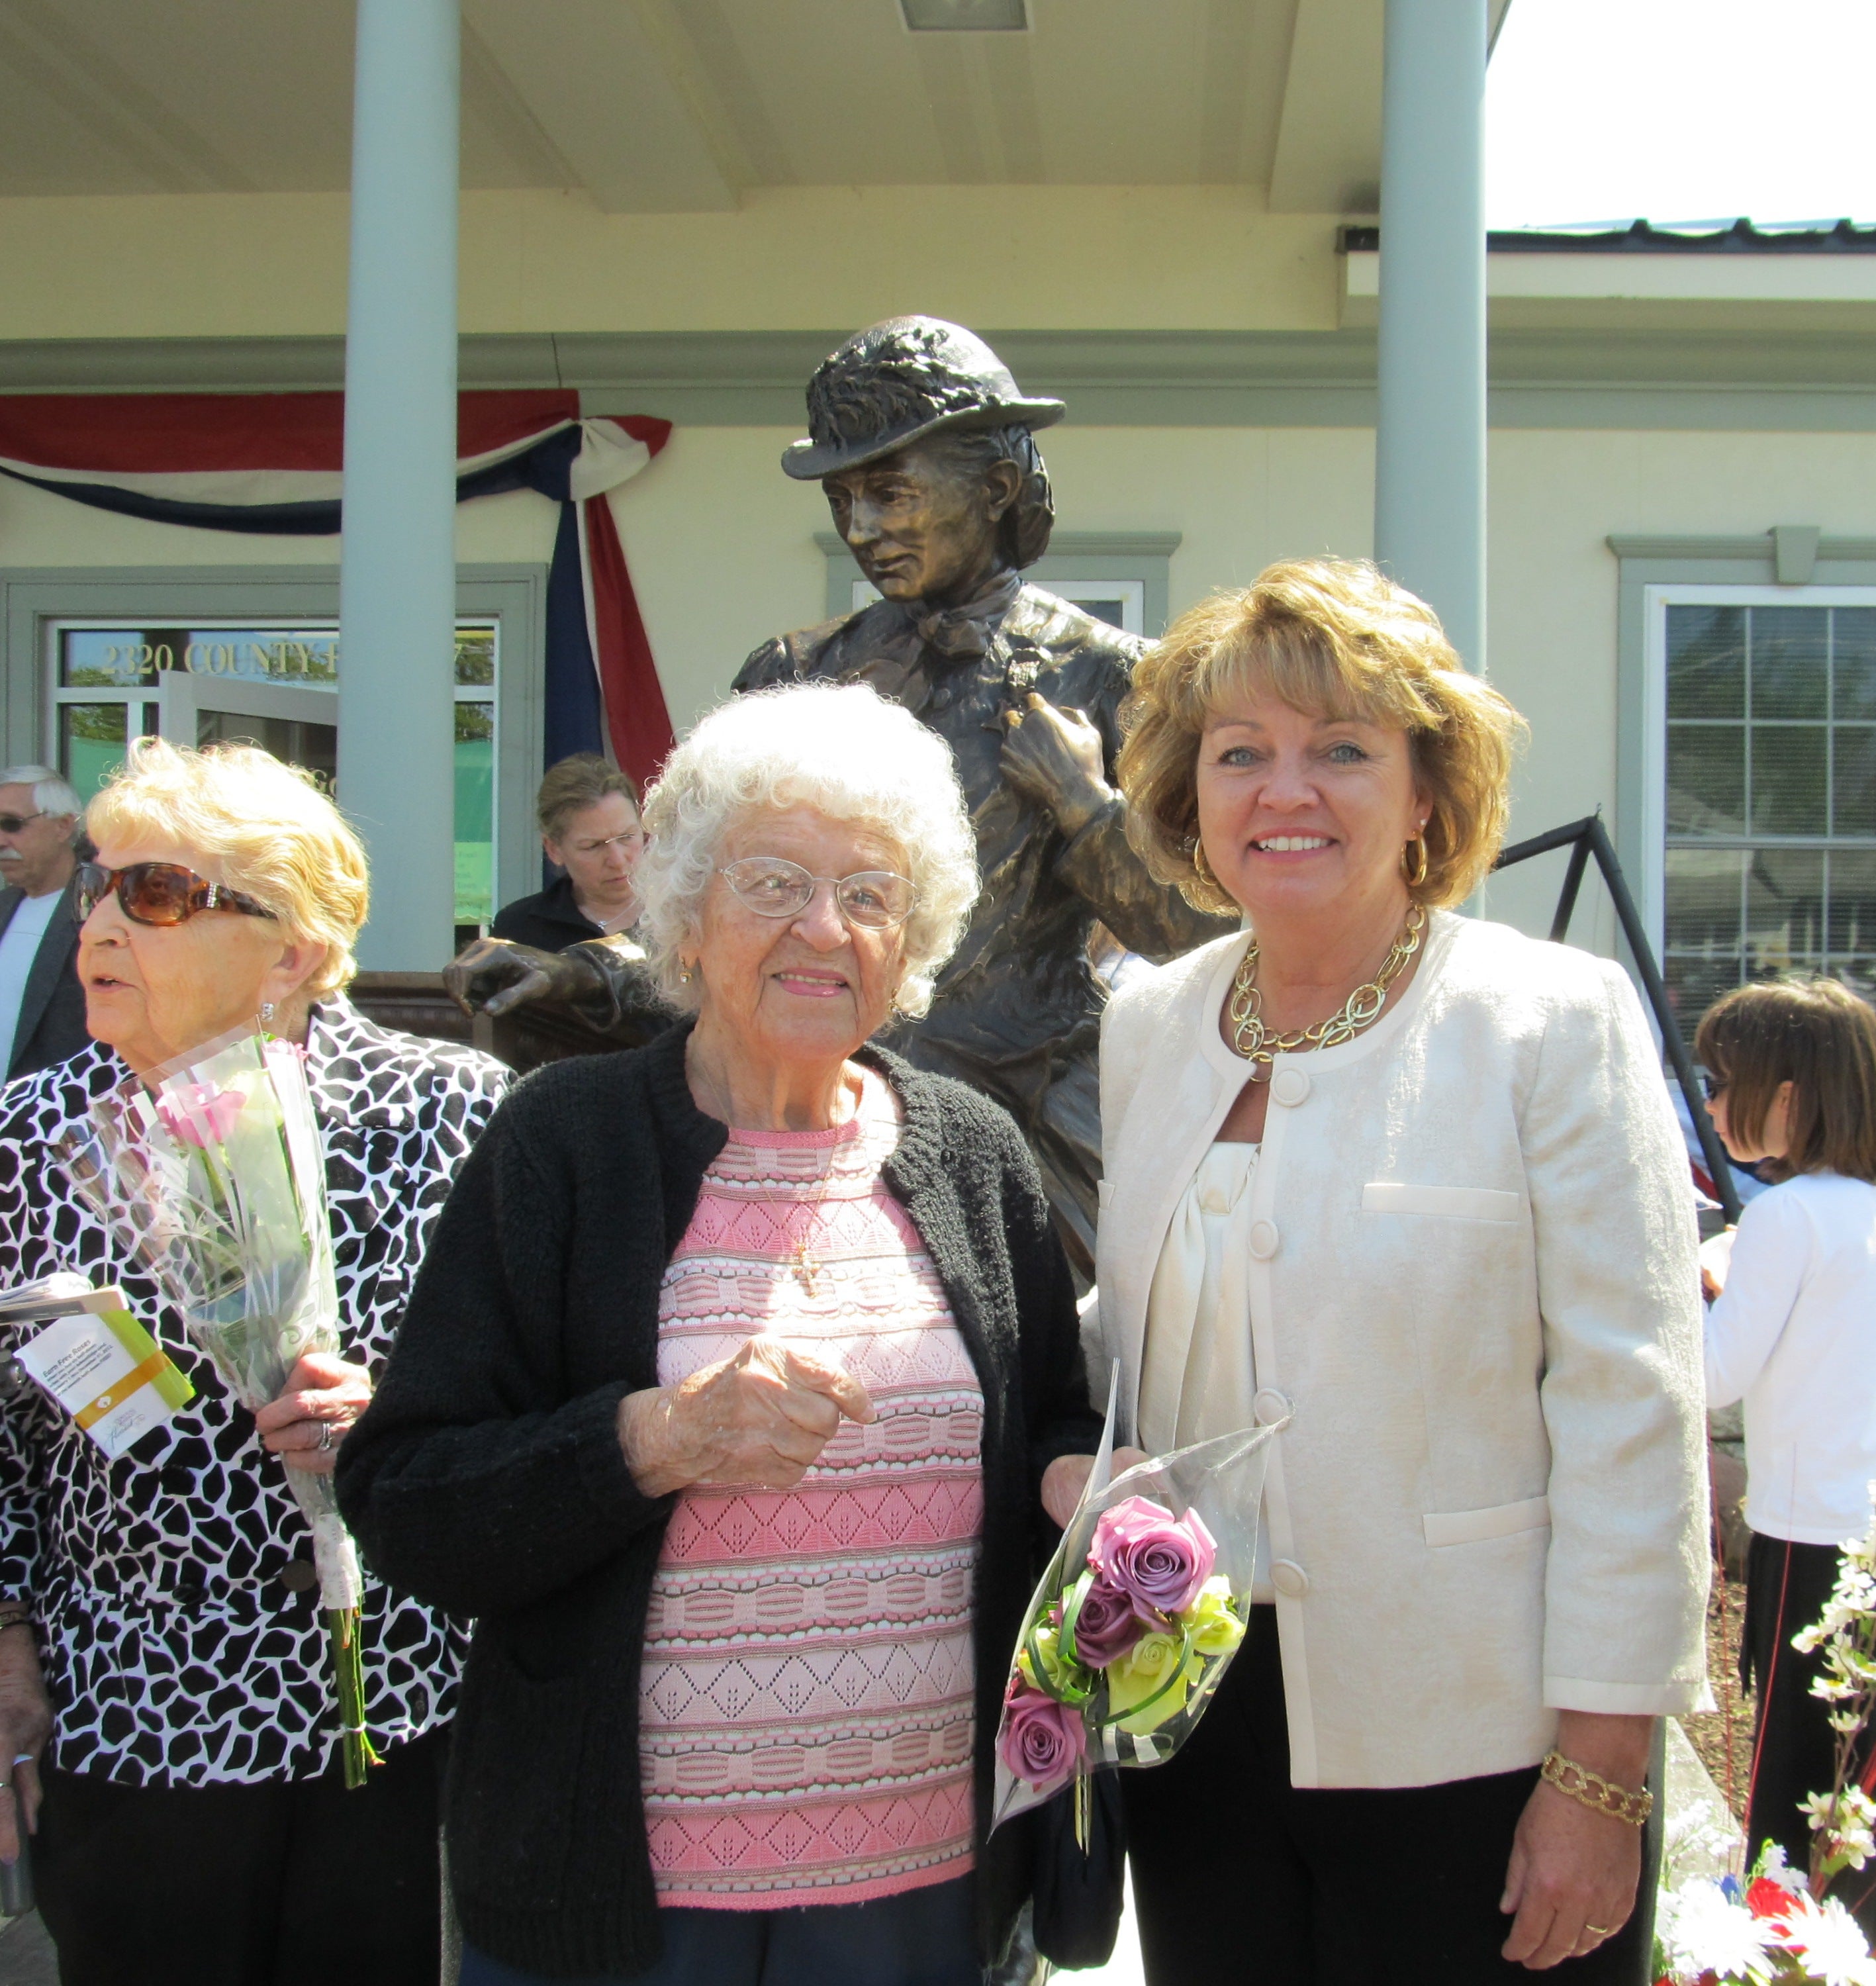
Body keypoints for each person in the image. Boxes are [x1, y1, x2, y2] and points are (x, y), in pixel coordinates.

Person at [337, 683, 1100, 1986]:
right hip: (618, 1901)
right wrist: (652, 1441)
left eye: (869, 893)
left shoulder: (972, 1153)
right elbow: (405, 1496)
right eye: (773, 884)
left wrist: (1080, 1480)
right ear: (686, 911)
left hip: (915, 1889)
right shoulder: (562, 1142)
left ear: (912, 936)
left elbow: (1047, 1420)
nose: (824, 928)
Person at [1072, 558, 1709, 1983]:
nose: (1283, 791)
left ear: (1425, 793)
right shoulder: (1150, 1023)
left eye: (1342, 751)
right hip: (1192, 1722)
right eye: (1240, 753)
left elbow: (1631, 1403)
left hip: (1474, 1740)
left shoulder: (1547, 1019)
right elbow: (1144, 1321)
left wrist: (1600, 1771)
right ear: (1188, 795)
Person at [444, 318, 1230, 1272]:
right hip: (798, 1105)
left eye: (890, 493)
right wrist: (582, 974)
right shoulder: (792, 674)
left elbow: (1207, 936)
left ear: (995, 486)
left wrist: (1085, 810)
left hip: (1019, 1128)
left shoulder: (1116, 681)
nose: (860, 530)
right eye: (842, 498)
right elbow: (707, 908)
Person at [0, 737, 509, 1986]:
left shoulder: (453, 1114)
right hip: (132, 1707)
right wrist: (3, 1635)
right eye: (98, 883)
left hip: (396, 1703)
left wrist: (396, 1422)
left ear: (291, 950)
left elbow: (542, 1386)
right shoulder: (30, 1136)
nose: (100, 923)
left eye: (156, 894)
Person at [1698, 976, 1876, 1914]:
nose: (1709, 1105)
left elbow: (1708, 1375)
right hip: (1863, 1535)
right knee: (1853, 1796)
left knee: (1786, 1789)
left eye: (1721, 1083)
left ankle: (1773, 1955)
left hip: (1807, 1544)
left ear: (1787, 1099)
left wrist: (1693, 1285)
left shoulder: (1783, 1215)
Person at [490, 753, 645, 951]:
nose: (617, 860)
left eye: (627, 836)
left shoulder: (679, 915)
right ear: (554, 849)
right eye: (593, 846)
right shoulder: (519, 929)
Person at [0, 765, 87, 1081]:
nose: (1, 840)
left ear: (63, 826)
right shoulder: (5, 905)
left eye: (12, 824)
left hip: (59, 1103)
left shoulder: (101, 912)